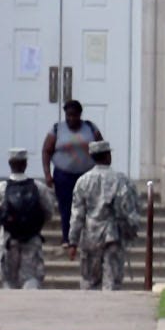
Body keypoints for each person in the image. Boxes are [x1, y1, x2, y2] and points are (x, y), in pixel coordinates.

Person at [67, 139, 143, 291]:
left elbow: (77, 215)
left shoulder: (83, 181)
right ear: (108, 155)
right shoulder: (121, 180)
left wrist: (72, 242)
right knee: (112, 280)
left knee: (89, 280)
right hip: (112, 234)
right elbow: (127, 209)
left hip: (90, 235)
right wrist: (132, 230)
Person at [0, 147, 57, 289]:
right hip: (32, 238)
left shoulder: (0, 188)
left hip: (8, 239)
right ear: (25, 164)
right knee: (31, 276)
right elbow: (49, 213)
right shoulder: (38, 187)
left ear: (10, 164)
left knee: (8, 280)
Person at [41, 99, 103, 245]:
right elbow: (46, 151)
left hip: (87, 174)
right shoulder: (57, 129)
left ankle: (88, 236)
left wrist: (103, 170)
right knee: (66, 206)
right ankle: (67, 238)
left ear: (80, 115)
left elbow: (102, 148)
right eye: (68, 115)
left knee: (89, 206)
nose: (71, 119)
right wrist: (47, 174)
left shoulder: (90, 128)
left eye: (74, 115)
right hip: (64, 175)